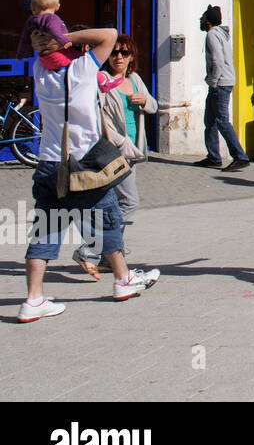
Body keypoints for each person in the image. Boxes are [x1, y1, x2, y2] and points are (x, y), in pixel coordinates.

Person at [20, 25, 159, 321]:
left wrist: (53, 39)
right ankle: (122, 281)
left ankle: (33, 299)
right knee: (108, 219)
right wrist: (66, 37)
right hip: (84, 163)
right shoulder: (82, 70)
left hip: (49, 163)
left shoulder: (41, 72)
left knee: (45, 229)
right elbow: (109, 34)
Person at [72, 34, 157, 279]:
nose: (119, 57)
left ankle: (109, 253)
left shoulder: (135, 79)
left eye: (125, 53)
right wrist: (123, 145)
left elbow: (153, 106)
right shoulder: (102, 82)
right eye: (114, 52)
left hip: (134, 150)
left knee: (111, 204)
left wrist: (145, 101)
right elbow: (101, 121)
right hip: (116, 152)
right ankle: (92, 250)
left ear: (132, 57)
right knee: (130, 202)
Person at [194, 5, 250, 171]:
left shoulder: (212, 35)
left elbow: (217, 61)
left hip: (220, 84)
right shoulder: (221, 34)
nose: (201, 21)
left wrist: (213, 80)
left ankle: (240, 156)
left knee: (221, 121)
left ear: (209, 21)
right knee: (210, 120)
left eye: (203, 18)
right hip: (223, 82)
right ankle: (213, 156)